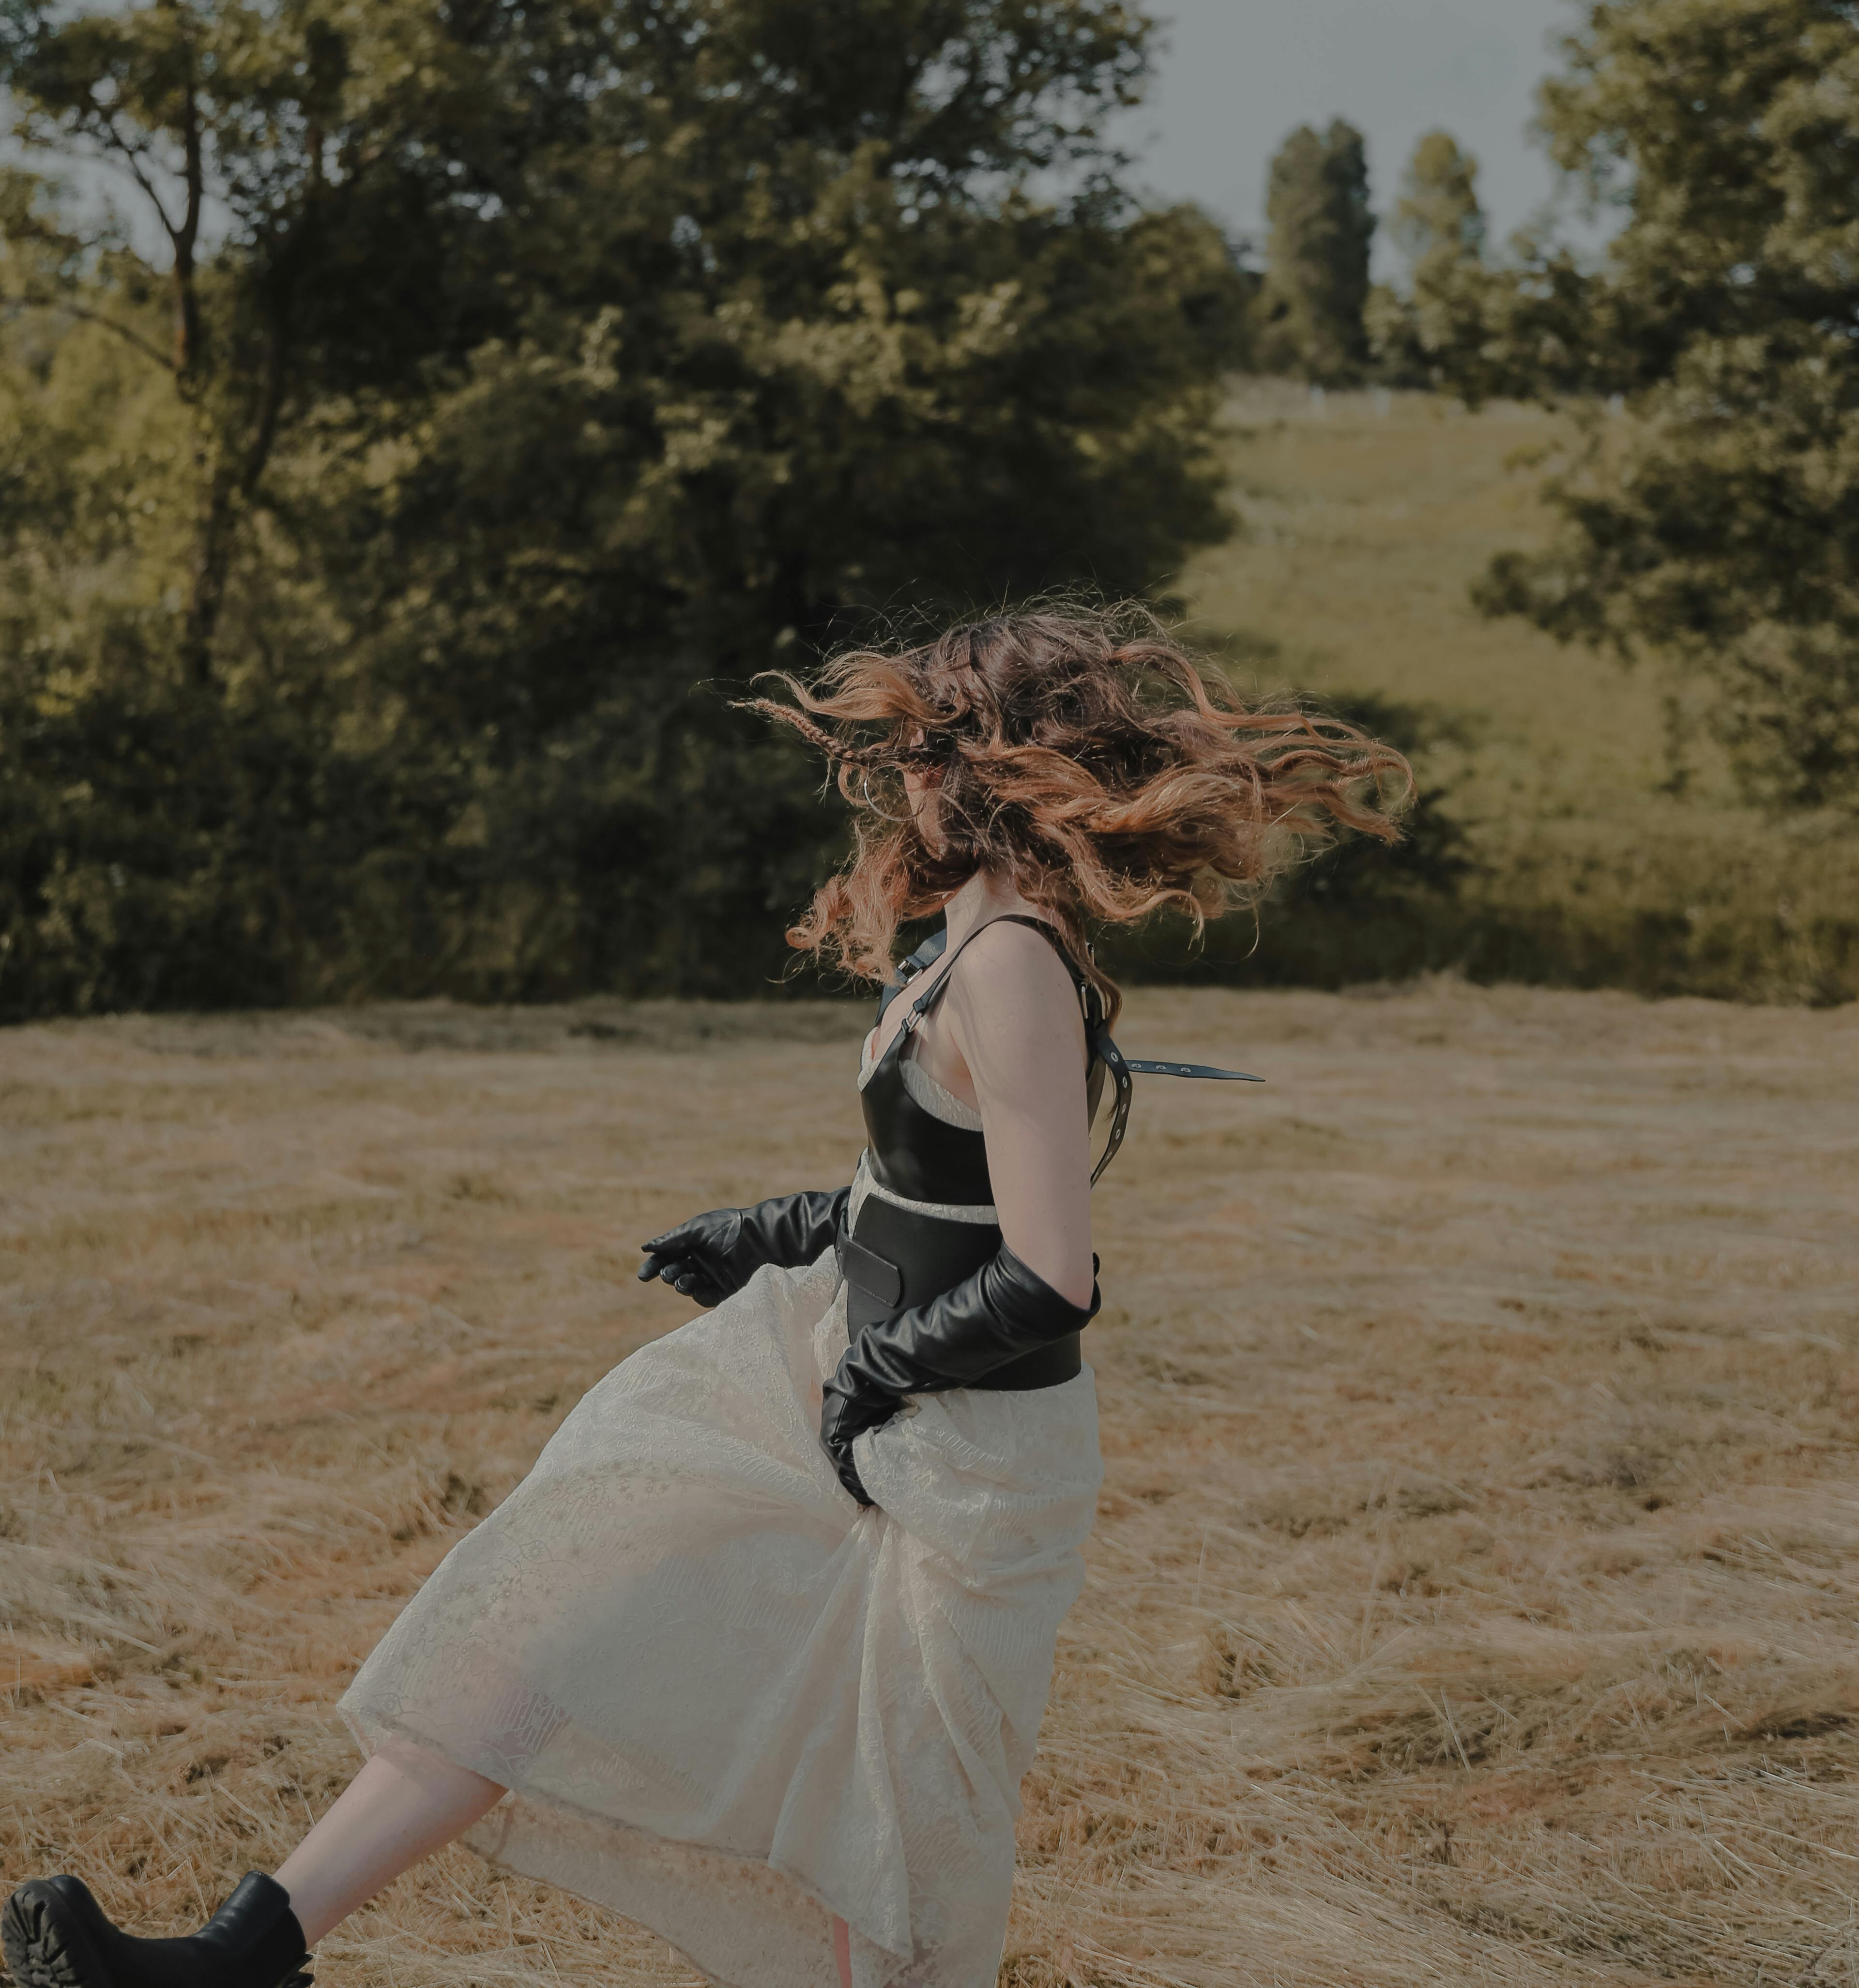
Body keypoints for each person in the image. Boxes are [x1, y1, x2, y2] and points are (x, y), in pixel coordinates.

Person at [1, 605, 1404, 1988]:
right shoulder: (966, 935)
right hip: (846, 1396)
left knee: (890, 1838)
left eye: (930, 748)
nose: (904, 775)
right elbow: (926, 1187)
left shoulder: (1019, 965)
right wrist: (778, 1231)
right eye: (906, 749)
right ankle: (240, 1956)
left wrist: (872, 1380)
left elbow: (1050, 1272)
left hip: (961, 1461)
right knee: (541, 1627)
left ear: (1001, 767)